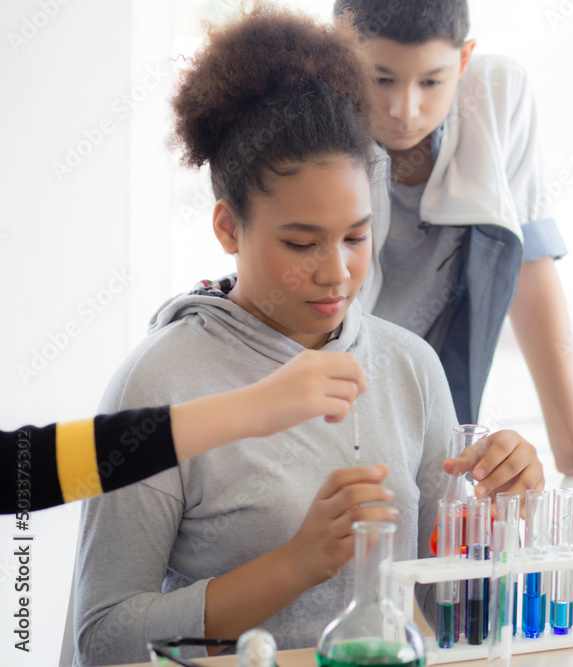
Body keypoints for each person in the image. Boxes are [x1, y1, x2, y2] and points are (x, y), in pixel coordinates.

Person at [72, 7, 543, 665]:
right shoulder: (158, 382)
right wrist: (296, 563)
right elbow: (102, 638)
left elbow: (454, 614)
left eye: (357, 235)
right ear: (228, 227)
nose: (337, 271)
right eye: (301, 242)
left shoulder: (411, 366)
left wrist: (501, 512)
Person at [332, 0, 573, 475]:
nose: (406, 110)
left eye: (431, 81)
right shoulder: (308, 113)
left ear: (464, 60)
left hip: (435, 403)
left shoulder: (497, 93)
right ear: (341, 54)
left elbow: (527, 262)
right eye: (381, 79)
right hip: (332, 394)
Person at [3, 349, 365, 514]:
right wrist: (250, 409)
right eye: (299, 243)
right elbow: (21, 470)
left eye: (356, 236)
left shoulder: (411, 358)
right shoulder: (157, 371)